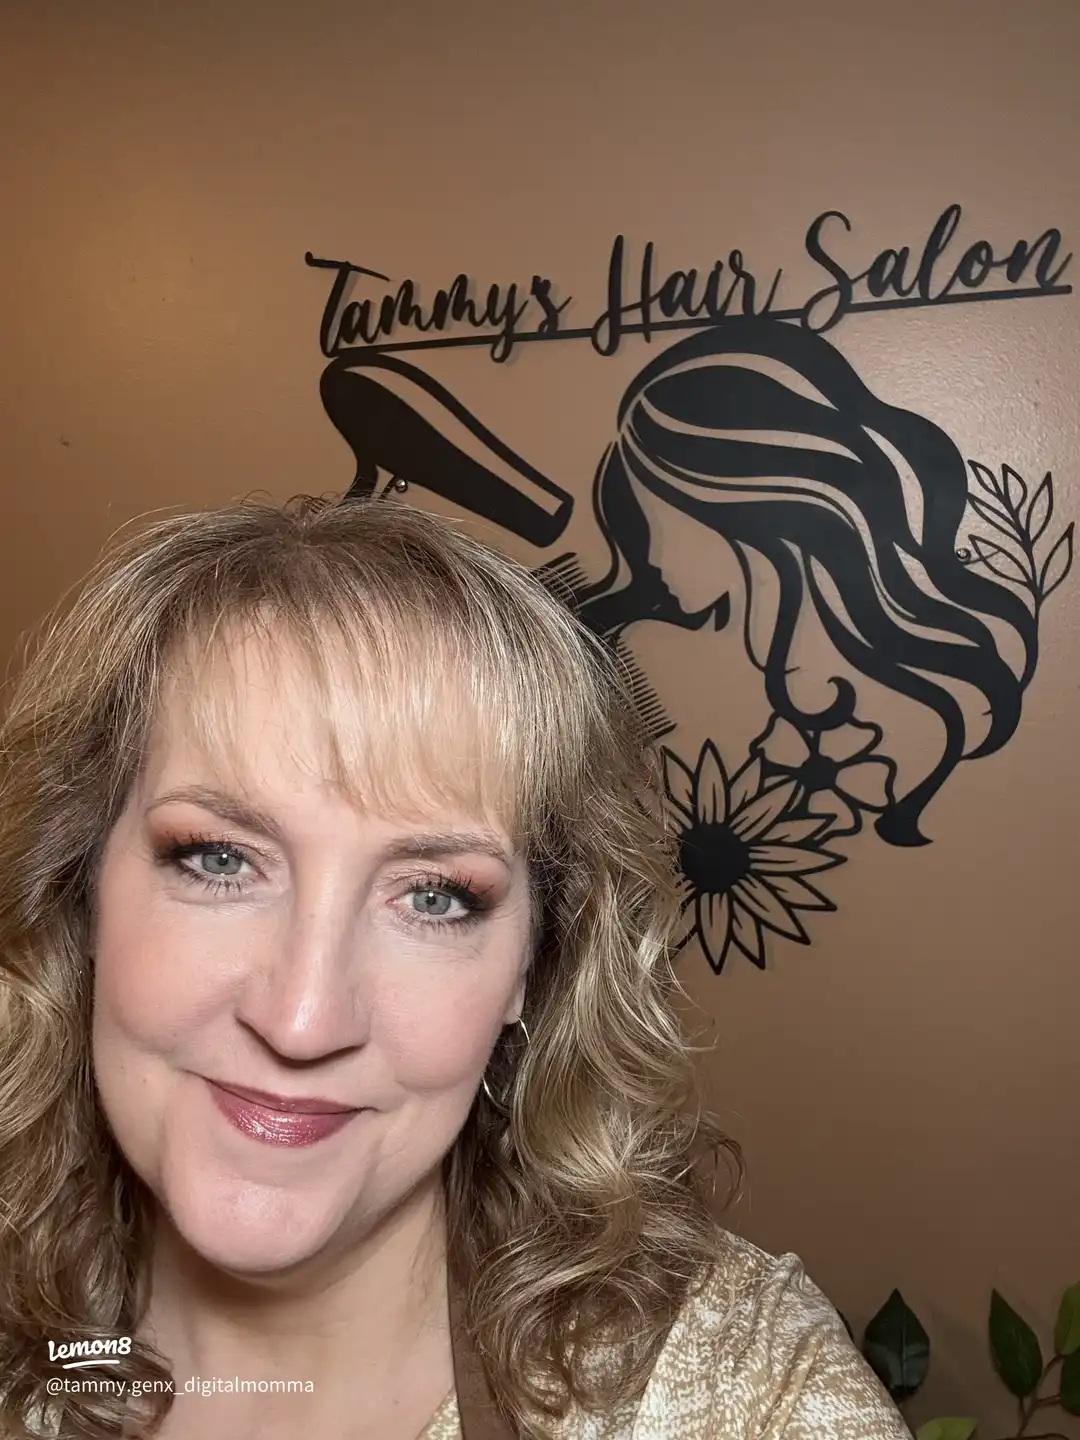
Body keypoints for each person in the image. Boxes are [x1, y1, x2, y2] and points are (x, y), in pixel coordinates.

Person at [0, 493, 911, 1439]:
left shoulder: (744, 1388)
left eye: (432, 896)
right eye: (219, 858)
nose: (304, 1019)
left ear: (531, 963)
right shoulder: (51, 1350)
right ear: (78, 887)